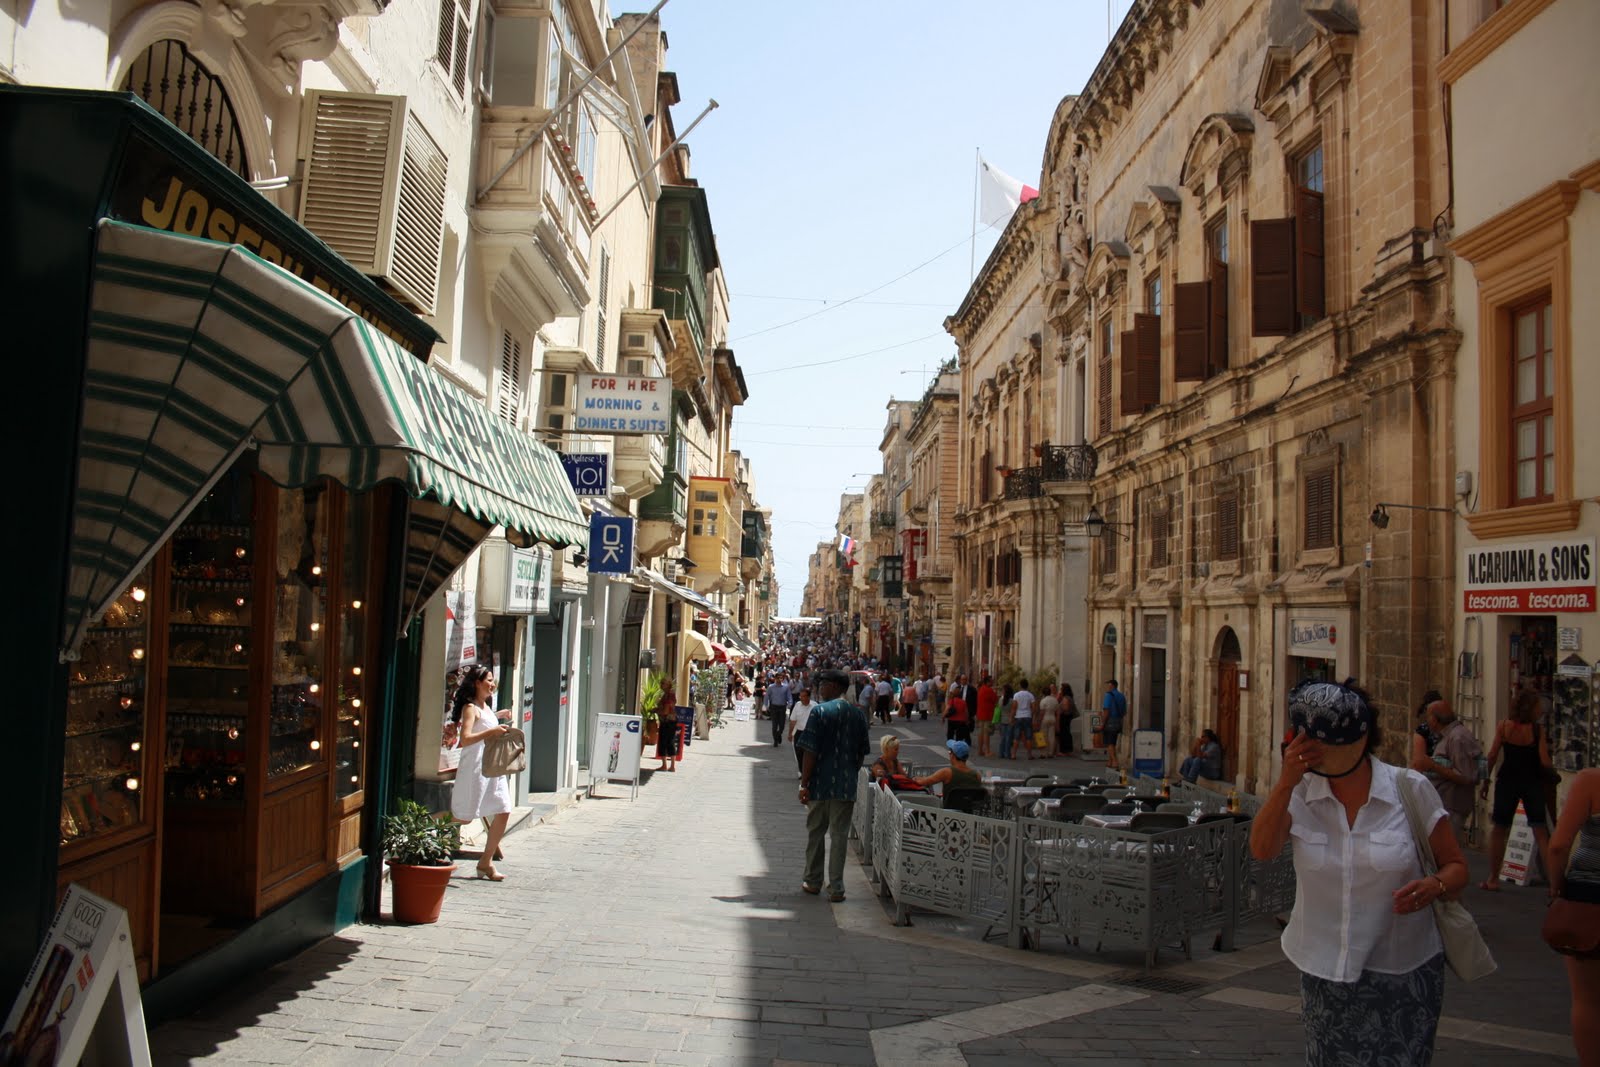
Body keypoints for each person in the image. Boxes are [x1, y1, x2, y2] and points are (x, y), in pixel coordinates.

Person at [1250, 680, 1468, 1065]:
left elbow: (1457, 868)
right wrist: (1285, 782)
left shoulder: (1410, 790)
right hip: (1324, 971)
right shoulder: (1300, 794)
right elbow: (1262, 849)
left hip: (1404, 970)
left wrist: (1435, 885)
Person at [796, 670, 871, 902]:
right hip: (844, 785)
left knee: (816, 833)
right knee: (839, 836)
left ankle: (812, 880)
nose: (821, 687)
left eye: (824, 683)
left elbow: (810, 751)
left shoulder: (819, 712)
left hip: (819, 783)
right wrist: (849, 772)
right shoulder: (858, 715)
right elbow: (862, 753)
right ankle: (836, 887)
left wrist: (804, 783)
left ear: (837, 687)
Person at [1480, 688, 1556, 890]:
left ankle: (1493, 878)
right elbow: (1545, 760)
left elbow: (1493, 755)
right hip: (1532, 781)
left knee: (1499, 829)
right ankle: (1554, 884)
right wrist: (1552, 774)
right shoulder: (1537, 730)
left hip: (1507, 780)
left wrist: (1485, 780)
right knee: (1540, 832)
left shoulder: (1504, 727)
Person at [1549, 767, 1600, 1064]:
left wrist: (1557, 888)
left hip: (1589, 898)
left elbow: (1558, 846)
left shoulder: (1591, 781)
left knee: (1588, 1000)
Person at [448, 665, 514, 881]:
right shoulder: (469, 707)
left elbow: (482, 723)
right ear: (477, 682)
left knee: (503, 810)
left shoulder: (484, 707)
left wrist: (498, 716)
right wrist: (493, 731)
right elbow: (465, 738)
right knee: (463, 818)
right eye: (489, 680)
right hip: (476, 767)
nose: (492, 684)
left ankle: (485, 862)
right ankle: (422, 824)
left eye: (493, 680)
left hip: (492, 766)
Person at [1411, 699, 1480, 845]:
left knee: (1445, 851)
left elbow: (1465, 776)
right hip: (1445, 803)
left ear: (1435, 719)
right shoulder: (1450, 736)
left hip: (1452, 804)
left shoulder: (1457, 737)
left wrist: (1432, 765)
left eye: (1428, 717)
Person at [915, 739, 984, 794]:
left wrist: (914, 778)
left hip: (948, 810)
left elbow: (924, 782)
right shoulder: (977, 776)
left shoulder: (946, 772)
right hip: (968, 810)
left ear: (952, 755)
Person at [785, 687, 814, 780]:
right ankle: (802, 771)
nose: (801, 698)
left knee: (809, 752)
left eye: (804, 696)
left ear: (809, 697)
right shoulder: (797, 705)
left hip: (810, 733)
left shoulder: (815, 706)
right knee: (799, 753)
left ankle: (808, 772)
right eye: (800, 696)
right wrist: (790, 733)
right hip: (799, 732)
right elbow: (793, 720)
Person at [1101, 679, 1127, 771]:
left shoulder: (1108, 695)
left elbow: (1106, 710)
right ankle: (1110, 761)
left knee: (1109, 742)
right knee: (1113, 741)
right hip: (1118, 720)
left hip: (1110, 721)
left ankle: (1115, 761)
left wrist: (1102, 723)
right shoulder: (1121, 696)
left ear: (1112, 686)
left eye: (1108, 685)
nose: (1107, 687)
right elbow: (1124, 711)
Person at [654, 677, 678, 772]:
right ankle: (666, 765)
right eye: (661, 683)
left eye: (663, 683)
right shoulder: (666, 694)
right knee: (667, 742)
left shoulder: (669, 695)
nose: (661, 685)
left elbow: (665, 711)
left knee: (667, 742)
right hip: (667, 721)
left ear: (668, 685)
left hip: (668, 721)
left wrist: (656, 710)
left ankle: (669, 766)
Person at [1011, 680, 1037, 762]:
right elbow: (1034, 708)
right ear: (1027, 686)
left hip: (1018, 716)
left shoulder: (1016, 695)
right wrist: (1032, 716)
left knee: (1016, 737)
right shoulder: (1030, 695)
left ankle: (1013, 754)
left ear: (1020, 685)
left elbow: (1014, 707)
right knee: (1029, 737)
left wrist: (1012, 717)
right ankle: (1029, 754)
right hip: (1027, 716)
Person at [765, 673, 792, 746]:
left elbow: (789, 697)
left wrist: (790, 704)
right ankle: (775, 740)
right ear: (775, 678)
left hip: (782, 708)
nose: (779, 679)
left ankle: (778, 734)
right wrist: (766, 706)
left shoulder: (786, 687)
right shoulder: (771, 687)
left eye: (781, 678)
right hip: (774, 707)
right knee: (774, 725)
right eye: (778, 678)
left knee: (782, 725)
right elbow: (767, 696)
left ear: (783, 679)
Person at [975, 675, 999, 758]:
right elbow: (996, 700)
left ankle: (980, 750)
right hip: (988, 714)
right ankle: (987, 751)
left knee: (980, 733)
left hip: (980, 714)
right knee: (986, 733)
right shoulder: (989, 690)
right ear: (987, 682)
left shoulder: (981, 689)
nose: (992, 682)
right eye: (991, 681)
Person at [943, 680, 971, 745]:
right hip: (961, 721)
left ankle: (951, 746)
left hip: (951, 721)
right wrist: (967, 720)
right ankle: (958, 747)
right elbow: (966, 712)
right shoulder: (963, 702)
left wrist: (943, 717)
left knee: (950, 735)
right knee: (959, 736)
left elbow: (946, 709)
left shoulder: (951, 701)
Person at [1037, 684, 1060, 757]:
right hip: (1053, 718)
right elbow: (1057, 712)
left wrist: (1039, 721)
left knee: (1043, 736)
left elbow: (1042, 712)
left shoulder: (1043, 701)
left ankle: (1043, 753)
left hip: (1045, 718)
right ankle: (1050, 752)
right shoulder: (1055, 700)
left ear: (1043, 693)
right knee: (1051, 736)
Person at [1059, 683, 1078, 755]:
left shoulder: (1066, 698)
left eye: (1061, 689)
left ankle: (1065, 750)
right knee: (1066, 733)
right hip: (1067, 716)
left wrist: (1060, 710)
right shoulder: (1069, 697)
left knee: (1064, 733)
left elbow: (1066, 708)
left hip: (1065, 717)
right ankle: (1067, 750)